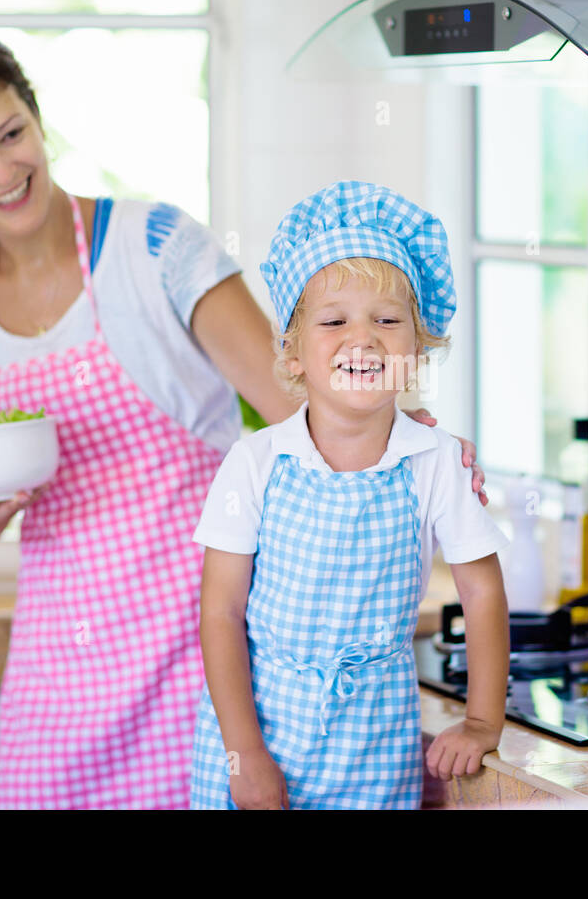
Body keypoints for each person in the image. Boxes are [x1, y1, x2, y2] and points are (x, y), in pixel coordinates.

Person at [0, 29, 488, 809]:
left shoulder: (153, 245)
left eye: (11, 135)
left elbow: (296, 400)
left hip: (205, 632)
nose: (1, 172)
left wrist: (414, 440)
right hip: (60, 654)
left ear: (36, 118)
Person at [188, 181, 511, 810]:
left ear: (416, 348)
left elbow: (483, 592)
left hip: (375, 739)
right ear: (293, 350)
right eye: (334, 321)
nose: (362, 339)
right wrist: (245, 754)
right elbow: (220, 613)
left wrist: (482, 721)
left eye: (388, 322)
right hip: (256, 733)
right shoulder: (255, 462)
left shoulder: (437, 461)